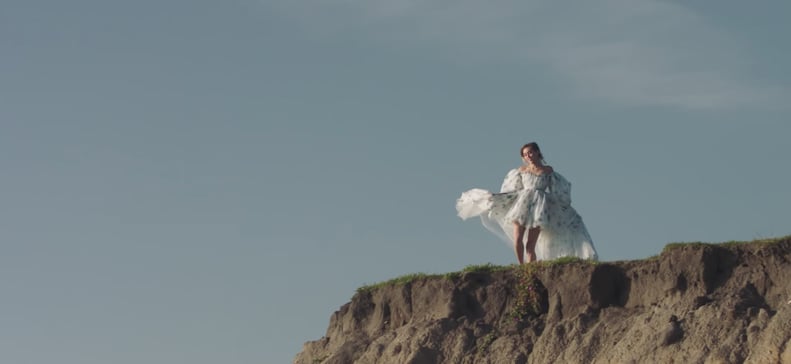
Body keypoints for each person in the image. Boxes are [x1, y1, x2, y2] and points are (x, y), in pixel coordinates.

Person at [456, 142, 598, 264]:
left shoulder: (548, 171)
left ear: (537, 153)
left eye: (530, 152)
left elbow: (558, 190)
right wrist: (499, 198)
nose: (528, 156)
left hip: (539, 208)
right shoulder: (521, 171)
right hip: (522, 205)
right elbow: (513, 189)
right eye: (525, 154)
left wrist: (561, 207)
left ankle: (531, 268)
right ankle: (522, 266)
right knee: (518, 239)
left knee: (531, 244)